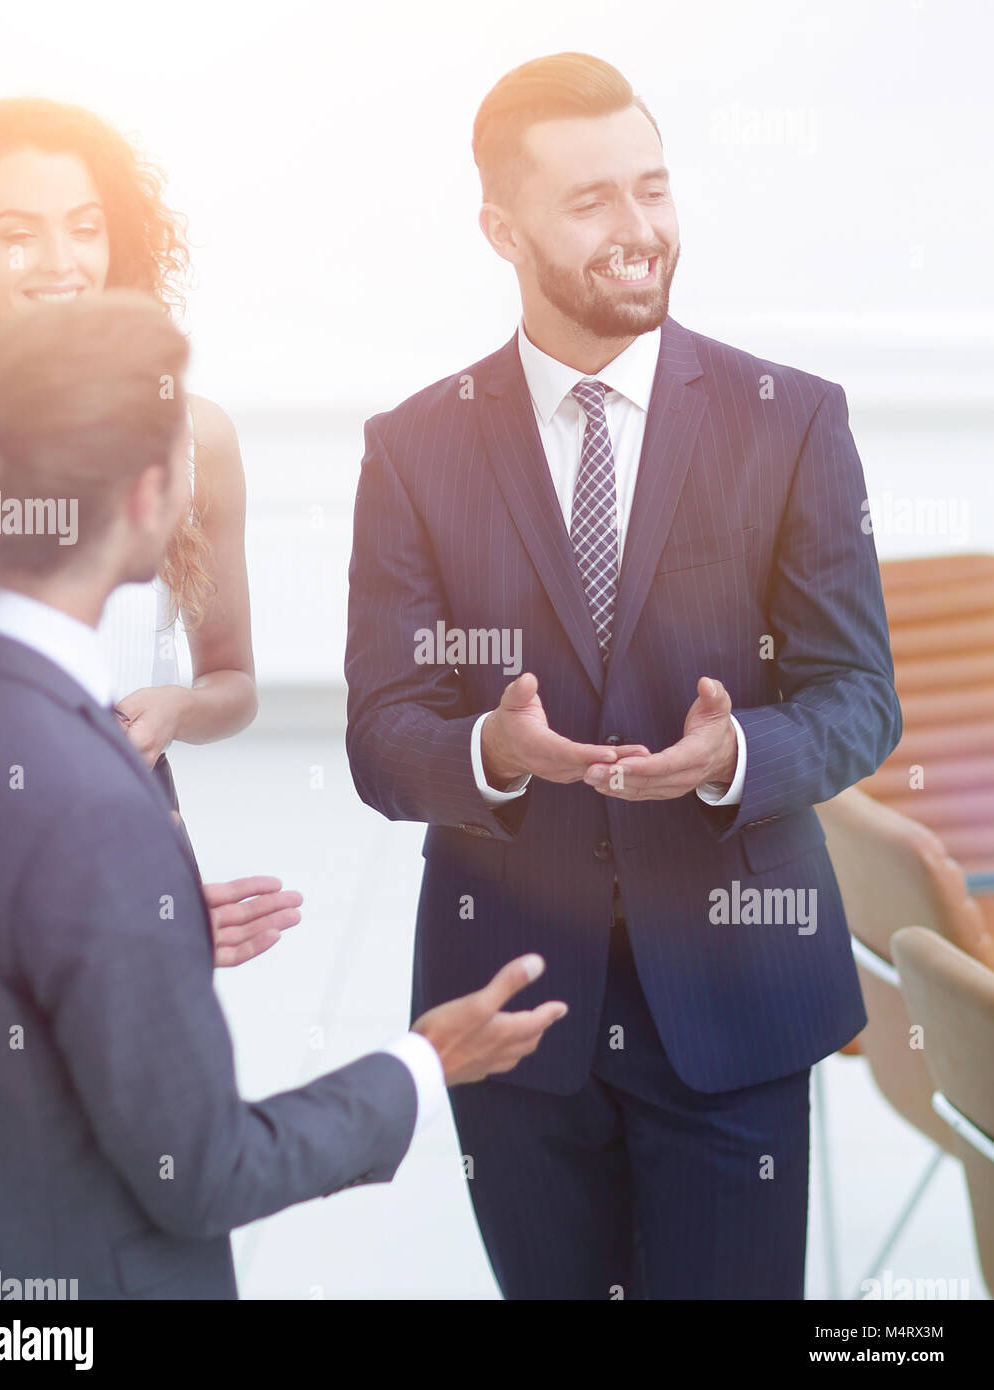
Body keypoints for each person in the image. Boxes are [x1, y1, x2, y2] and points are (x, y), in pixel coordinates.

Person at [344, 52, 902, 1299]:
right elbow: (381, 734)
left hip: (732, 995)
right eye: (590, 200)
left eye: (651, 189)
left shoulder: (789, 420)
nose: (637, 230)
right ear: (502, 227)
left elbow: (858, 699)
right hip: (514, 1001)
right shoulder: (414, 447)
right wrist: (493, 751)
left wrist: (739, 756)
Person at [0, 290, 567, 1300]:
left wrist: (117, 936)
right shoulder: (100, 802)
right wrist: (421, 1061)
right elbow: (199, 1170)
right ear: (149, 497)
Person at [0, 97, 254, 913]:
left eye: (84, 227)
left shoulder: (194, 440)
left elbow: (234, 681)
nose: (59, 262)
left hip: (130, 831)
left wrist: (180, 707)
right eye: (16, 235)